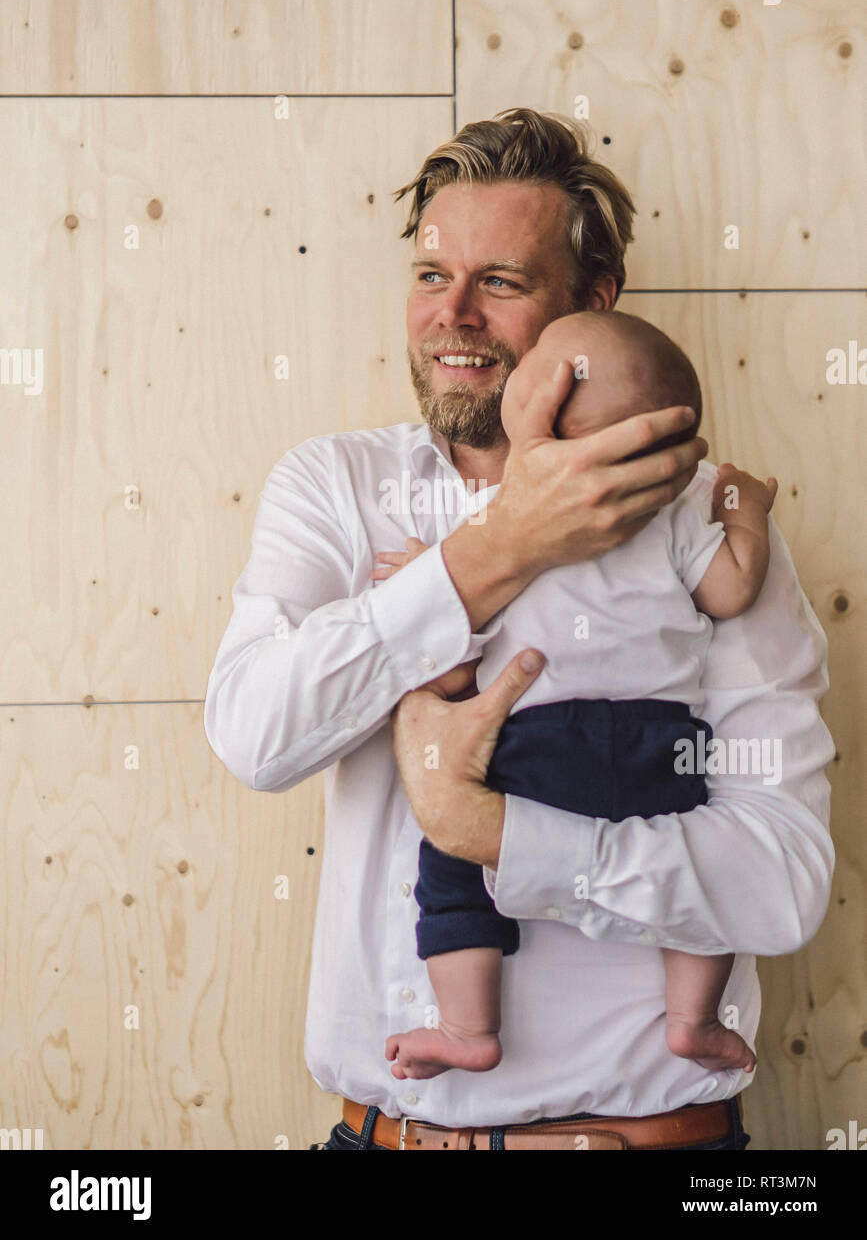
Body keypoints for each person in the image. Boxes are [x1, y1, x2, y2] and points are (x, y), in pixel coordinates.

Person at [204, 108, 834, 1151]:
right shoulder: (336, 489)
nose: (451, 314)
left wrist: (496, 835)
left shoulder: (705, 519)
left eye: (499, 281)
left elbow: (781, 878)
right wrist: (499, 552)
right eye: (429, 274)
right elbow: (255, 736)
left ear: (593, 305)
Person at [383, 310, 776, 1083]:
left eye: (537, 369)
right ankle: (692, 1020)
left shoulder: (496, 513)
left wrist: (422, 578)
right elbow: (729, 592)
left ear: (555, 406)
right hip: (660, 744)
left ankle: (466, 1026)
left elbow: (456, 656)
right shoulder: (674, 512)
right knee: (701, 872)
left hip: (533, 746)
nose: (520, 370)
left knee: (454, 863)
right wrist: (747, 517)